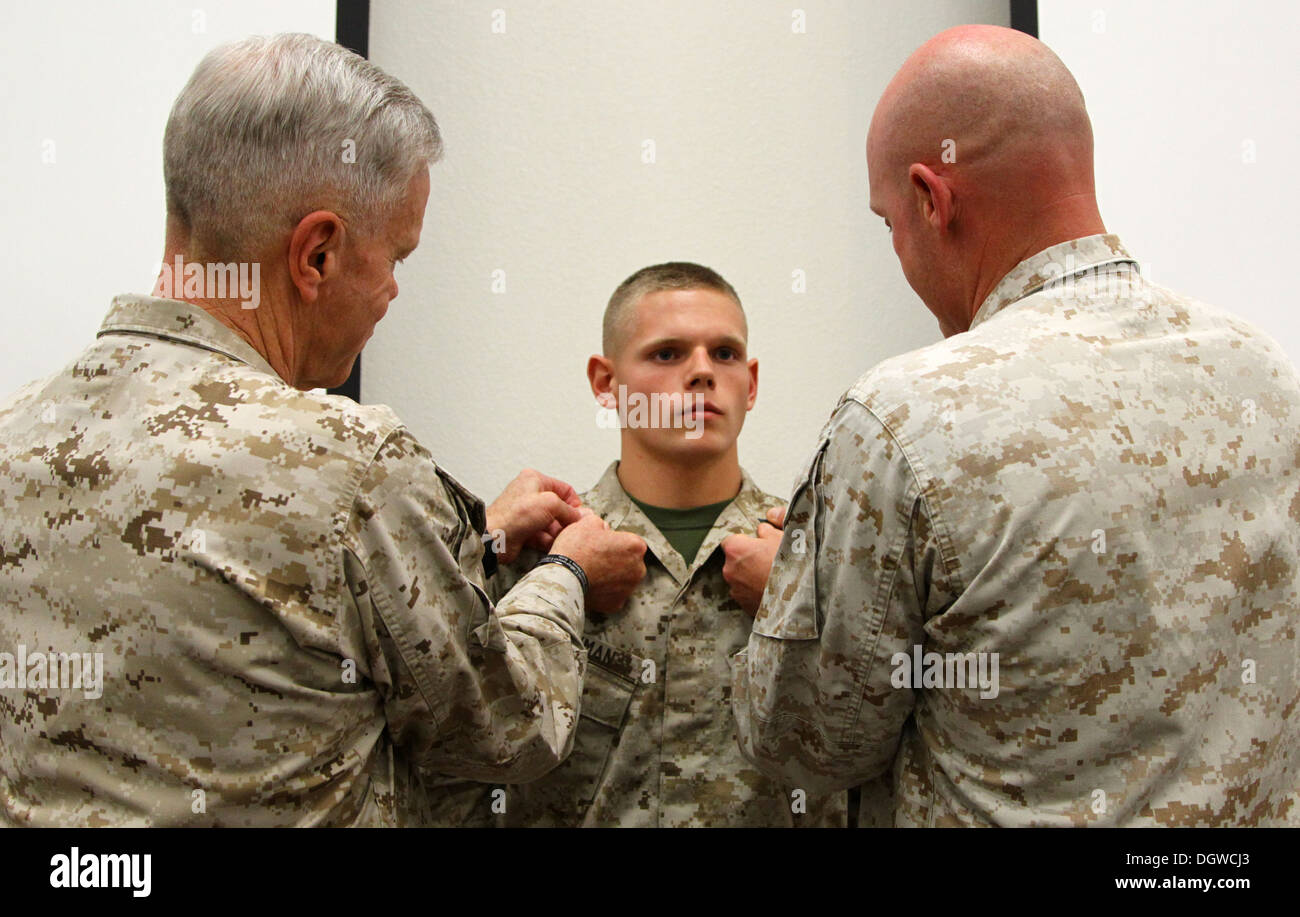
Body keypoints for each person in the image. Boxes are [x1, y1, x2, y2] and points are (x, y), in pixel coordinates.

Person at [0, 33, 646, 827]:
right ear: (317, 253)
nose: (393, 293)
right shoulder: (352, 466)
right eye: (397, 258)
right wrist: (566, 577)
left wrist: (474, 537)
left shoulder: (15, 432)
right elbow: (504, 731)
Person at [723, 24, 1300, 826]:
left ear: (933, 198)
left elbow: (810, 742)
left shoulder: (902, 419)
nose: (899, 249)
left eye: (889, 223)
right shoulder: (1266, 374)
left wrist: (791, 599)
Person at [498, 263, 844, 826]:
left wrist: (802, 603)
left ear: (751, 384)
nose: (703, 372)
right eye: (667, 354)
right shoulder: (542, 552)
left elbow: (881, 730)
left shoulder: (817, 556)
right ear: (606, 383)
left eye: (725, 354)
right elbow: (458, 744)